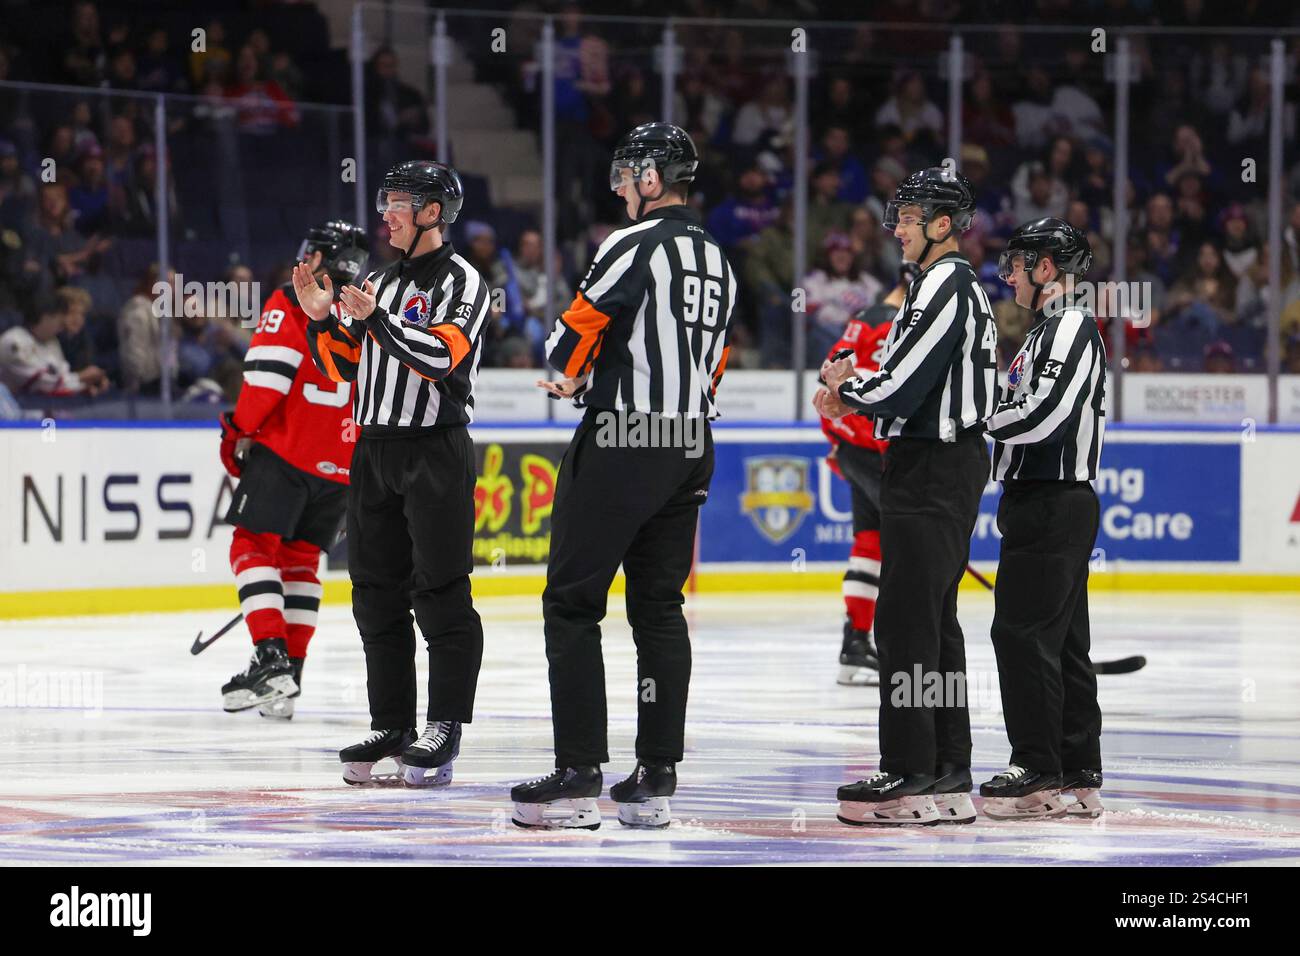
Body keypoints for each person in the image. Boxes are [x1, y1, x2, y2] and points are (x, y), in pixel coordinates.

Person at [510, 123, 735, 831]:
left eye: (627, 173)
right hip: (690, 439)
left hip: (624, 438)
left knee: (572, 605)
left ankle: (579, 775)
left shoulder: (631, 243)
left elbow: (575, 330)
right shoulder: (718, 259)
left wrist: (571, 376)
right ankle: (656, 776)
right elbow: (714, 363)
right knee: (660, 610)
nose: (618, 186)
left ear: (650, 178)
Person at [815, 167, 997, 827]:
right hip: (936, 462)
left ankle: (912, 771)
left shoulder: (946, 284)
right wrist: (859, 382)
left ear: (944, 224)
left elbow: (902, 385)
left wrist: (848, 389)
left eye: (911, 217)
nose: (898, 228)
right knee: (934, 622)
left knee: (905, 622)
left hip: (933, 463)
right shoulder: (937, 286)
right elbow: (897, 374)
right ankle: (946, 769)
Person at [299, 160, 488, 789]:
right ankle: (393, 724)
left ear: (433, 212)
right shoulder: (379, 276)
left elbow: (439, 355)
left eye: (399, 204)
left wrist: (375, 317)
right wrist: (322, 317)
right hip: (375, 451)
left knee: (440, 590)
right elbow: (344, 367)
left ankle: (444, 726)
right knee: (375, 590)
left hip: (435, 449)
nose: (386, 215)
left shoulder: (464, 281)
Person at [217, 220, 369, 721]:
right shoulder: (365, 312)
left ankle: (270, 656)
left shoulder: (290, 301)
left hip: (286, 453)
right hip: (341, 465)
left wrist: (237, 431)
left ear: (322, 259)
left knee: (251, 546)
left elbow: (266, 381)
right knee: (301, 561)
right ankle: (288, 678)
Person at [982, 217, 1107, 820]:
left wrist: (975, 417)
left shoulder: (1070, 327)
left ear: (1047, 269)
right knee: (1062, 639)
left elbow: (1046, 413)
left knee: (1022, 634)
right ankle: (1077, 773)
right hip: (1050, 500)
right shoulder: (1047, 333)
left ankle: (1037, 768)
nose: (1009, 275)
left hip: (1050, 499)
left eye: (1018, 264)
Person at [819, 262, 917, 686]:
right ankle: (905, 647)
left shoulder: (867, 317)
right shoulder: (895, 324)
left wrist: (840, 438)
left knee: (871, 539)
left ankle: (856, 643)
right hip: (872, 448)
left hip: (852, 443)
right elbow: (881, 393)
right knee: (914, 542)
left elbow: (831, 377)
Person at [0, 292, 109, 398]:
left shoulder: (51, 342)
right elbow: (42, 384)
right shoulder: (14, 341)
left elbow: (63, 374)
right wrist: (81, 379)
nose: (63, 326)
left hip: (39, 409)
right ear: (45, 317)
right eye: (60, 322)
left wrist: (85, 386)